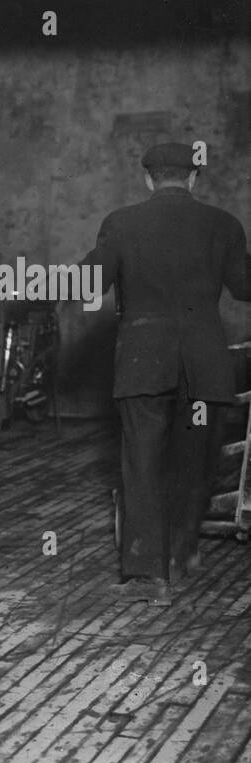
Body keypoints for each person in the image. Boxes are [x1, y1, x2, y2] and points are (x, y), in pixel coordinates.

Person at [81, 141, 251, 605]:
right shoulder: (224, 225)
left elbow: (89, 283)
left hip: (142, 364)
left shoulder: (121, 222)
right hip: (204, 367)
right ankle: (181, 555)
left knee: (143, 464)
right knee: (193, 464)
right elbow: (244, 285)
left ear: (148, 179)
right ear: (194, 178)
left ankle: (146, 576)